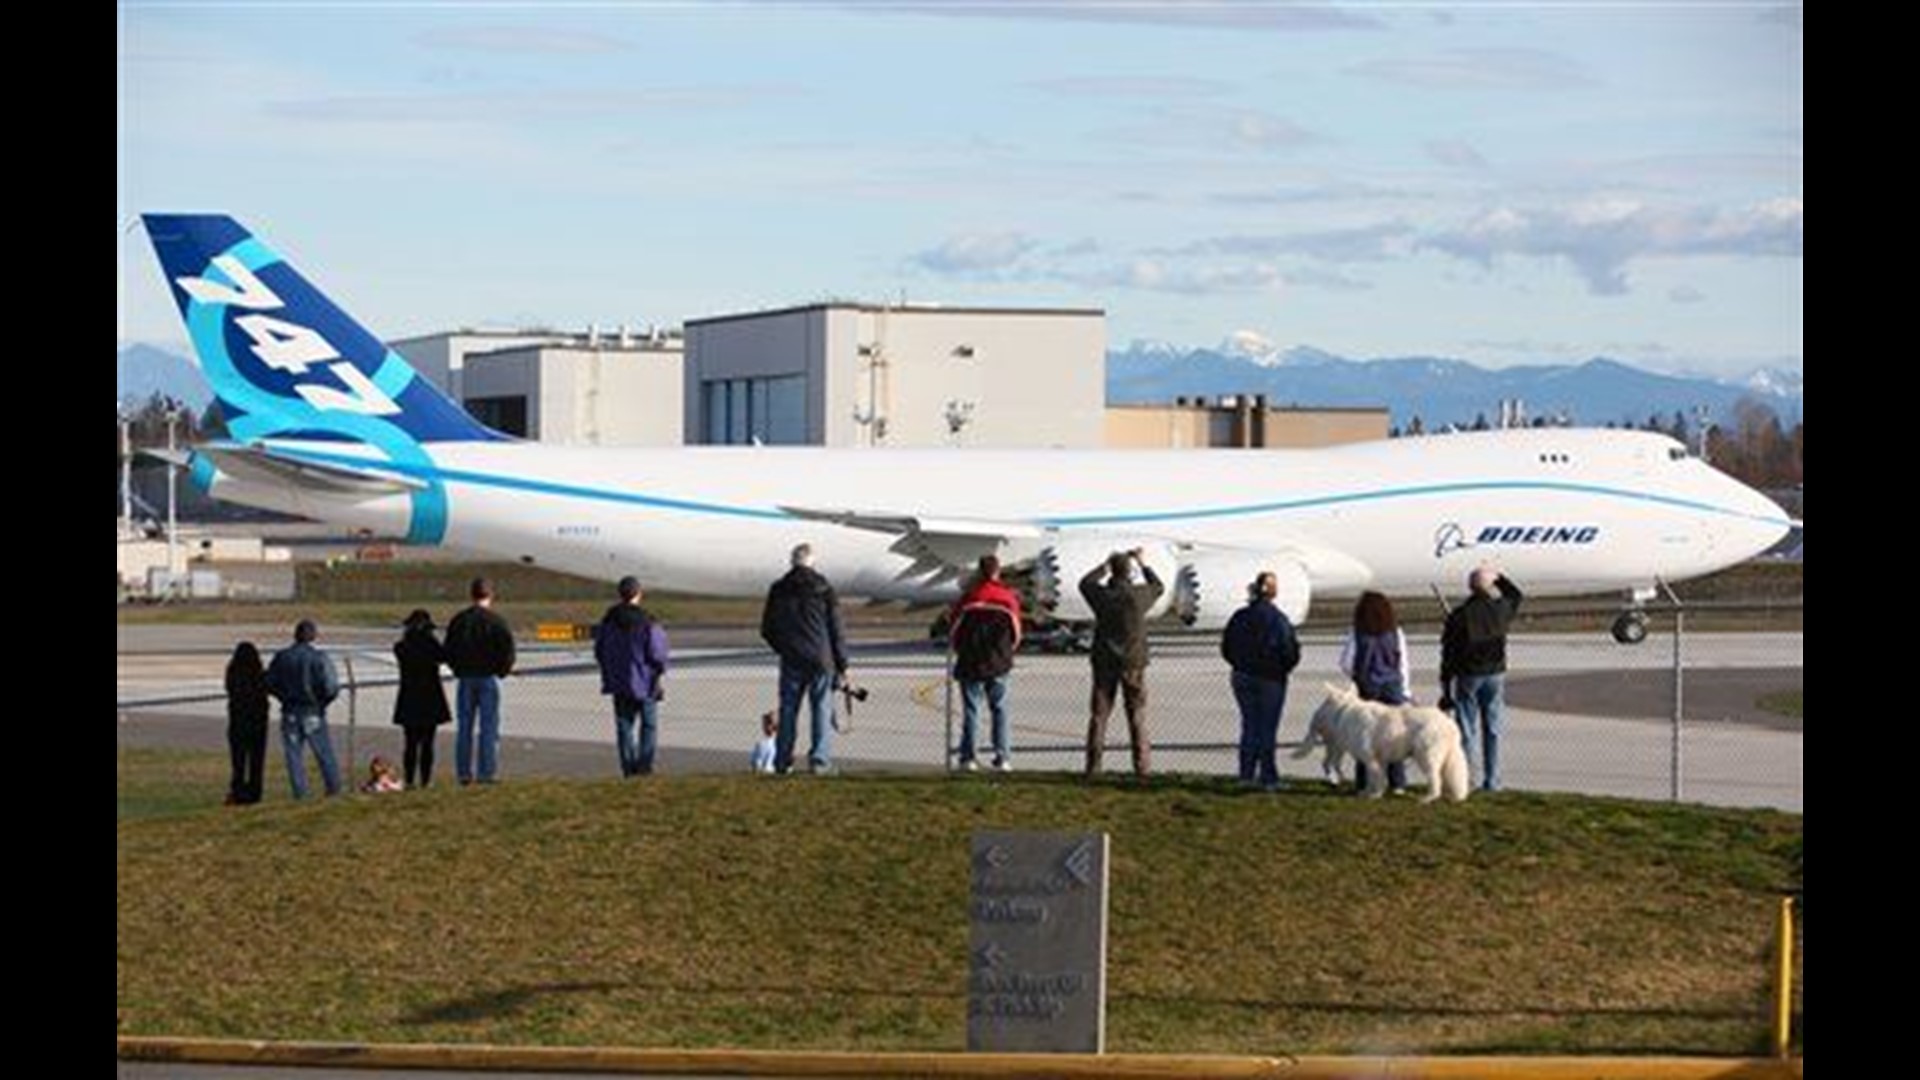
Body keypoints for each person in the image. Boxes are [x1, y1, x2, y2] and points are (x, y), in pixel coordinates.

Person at [759, 543, 849, 774]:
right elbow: (836, 629)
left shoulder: (778, 589)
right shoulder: (824, 589)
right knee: (821, 709)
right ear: (813, 562)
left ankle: (782, 761)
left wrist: (783, 648)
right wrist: (843, 663)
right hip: (821, 659)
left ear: (792, 562)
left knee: (788, 710)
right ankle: (819, 761)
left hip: (792, 658)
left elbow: (767, 629)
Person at [1080, 549, 1164, 778]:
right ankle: (1142, 767)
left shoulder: (1103, 596)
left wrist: (1104, 566)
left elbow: (1085, 583)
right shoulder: (1137, 596)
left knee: (1099, 716)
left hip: (1105, 659)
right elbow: (1158, 586)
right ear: (1129, 573)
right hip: (1133, 661)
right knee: (1136, 714)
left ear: (1112, 572)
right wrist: (1143, 563)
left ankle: (1093, 766)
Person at [1440, 565, 1524, 792]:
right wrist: (1499, 578)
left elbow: (1448, 653)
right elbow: (1516, 595)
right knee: (1493, 728)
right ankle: (1493, 780)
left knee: (1467, 729)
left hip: (1468, 674)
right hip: (1495, 673)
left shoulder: (1460, 616)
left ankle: (1466, 779)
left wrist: (1446, 687)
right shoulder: (1500, 609)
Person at [1219, 571, 1301, 791]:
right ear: (1273, 592)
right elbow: (1290, 651)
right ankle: (1268, 777)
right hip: (1270, 679)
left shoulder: (1239, 616)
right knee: (1267, 729)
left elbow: (1226, 647)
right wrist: (1282, 670)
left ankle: (1246, 774)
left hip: (1242, 676)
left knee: (1249, 725)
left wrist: (1239, 664)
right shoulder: (1278, 619)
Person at [949, 555, 1022, 772]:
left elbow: (954, 631)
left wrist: (961, 650)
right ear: (998, 571)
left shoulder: (969, 598)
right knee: (1000, 710)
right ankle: (1003, 757)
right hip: (999, 662)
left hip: (971, 662)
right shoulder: (1007, 598)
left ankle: (968, 757)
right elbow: (1016, 633)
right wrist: (1006, 654)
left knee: (972, 711)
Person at [594, 575, 671, 777]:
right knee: (648, 725)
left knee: (624, 727)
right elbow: (658, 653)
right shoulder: (647, 621)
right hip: (645, 682)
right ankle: (644, 767)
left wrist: (609, 670)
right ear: (638, 594)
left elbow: (599, 650)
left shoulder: (609, 620)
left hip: (619, 682)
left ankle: (628, 769)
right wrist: (660, 669)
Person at [444, 577, 516, 785]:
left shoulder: (459, 620)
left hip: (466, 678)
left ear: (471, 594)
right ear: (490, 595)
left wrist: (458, 669)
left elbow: (449, 650)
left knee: (464, 728)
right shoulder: (496, 621)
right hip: (487, 678)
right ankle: (487, 773)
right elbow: (507, 651)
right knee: (489, 727)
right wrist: (502, 671)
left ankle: (464, 773)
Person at [1340, 591, 1413, 795]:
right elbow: (1403, 663)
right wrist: (1405, 691)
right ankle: (1397, 782)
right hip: (1392, 686)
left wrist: (1357, 676)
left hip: (1368, 688)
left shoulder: (1357, 633)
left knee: (1365, 738)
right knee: (1395, 735)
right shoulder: (1396, 633)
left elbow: (1345, 662)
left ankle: (1365, 782)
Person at [264, 619, 343, 799]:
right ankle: (334, 788)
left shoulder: (282, 657)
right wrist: (322, 702)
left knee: (294, 756)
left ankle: (301, 793)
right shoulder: (319, 657)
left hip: (290, 711)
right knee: (324, 752)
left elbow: (269, 683)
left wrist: (282, 697)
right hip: (312, 711)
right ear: (313, 636)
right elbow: (331, 687)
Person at [391, 609, 452, 788]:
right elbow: (444, 656)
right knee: (427, 743)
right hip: (429, 698)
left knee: (410, 743)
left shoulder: (402, 647)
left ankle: (409, 779)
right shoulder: (430, 645)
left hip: (409, 698)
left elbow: (401, 649)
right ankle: (426, 780)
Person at [223, 641, 270, 805]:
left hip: (238, 723)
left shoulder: (232, 673)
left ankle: (238, 792)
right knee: (257, 761)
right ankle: (255, 793)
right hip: (258, 724)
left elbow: (229, 690)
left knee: (238, 762)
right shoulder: (260, 674)